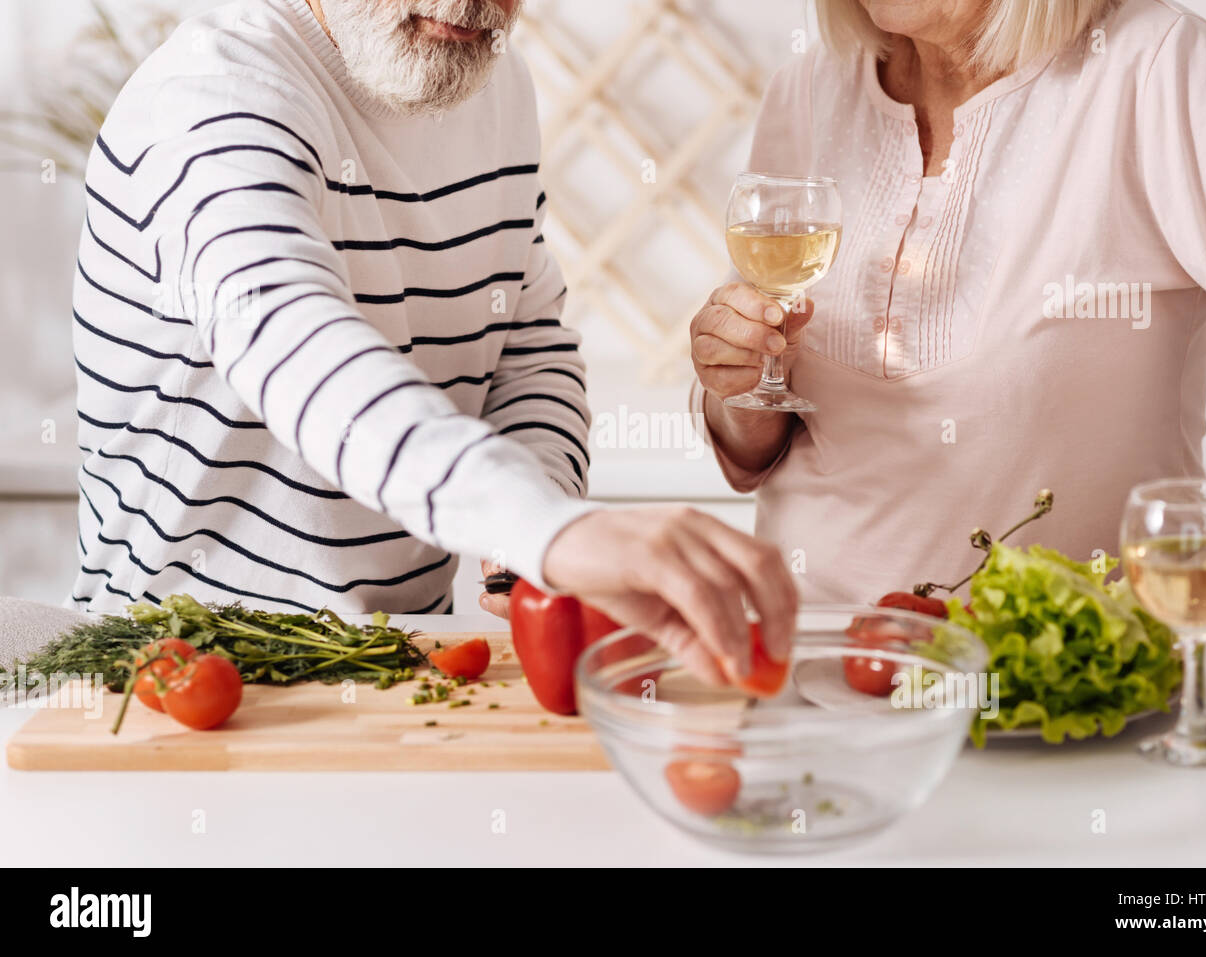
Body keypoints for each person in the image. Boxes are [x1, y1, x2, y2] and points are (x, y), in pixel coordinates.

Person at [72, 0, 794, 684]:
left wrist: (528, 527)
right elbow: (292, 346)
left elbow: (524, 343)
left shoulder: (492, 80)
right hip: (182, 674)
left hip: (393, 664)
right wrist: (546, 528)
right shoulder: (215, 95)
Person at [690, 0, 1206, 603]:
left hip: (1059, 681)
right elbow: (753, 441)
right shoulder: (814, 84)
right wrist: (740, 380)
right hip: (807, 660)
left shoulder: (1153, 66)